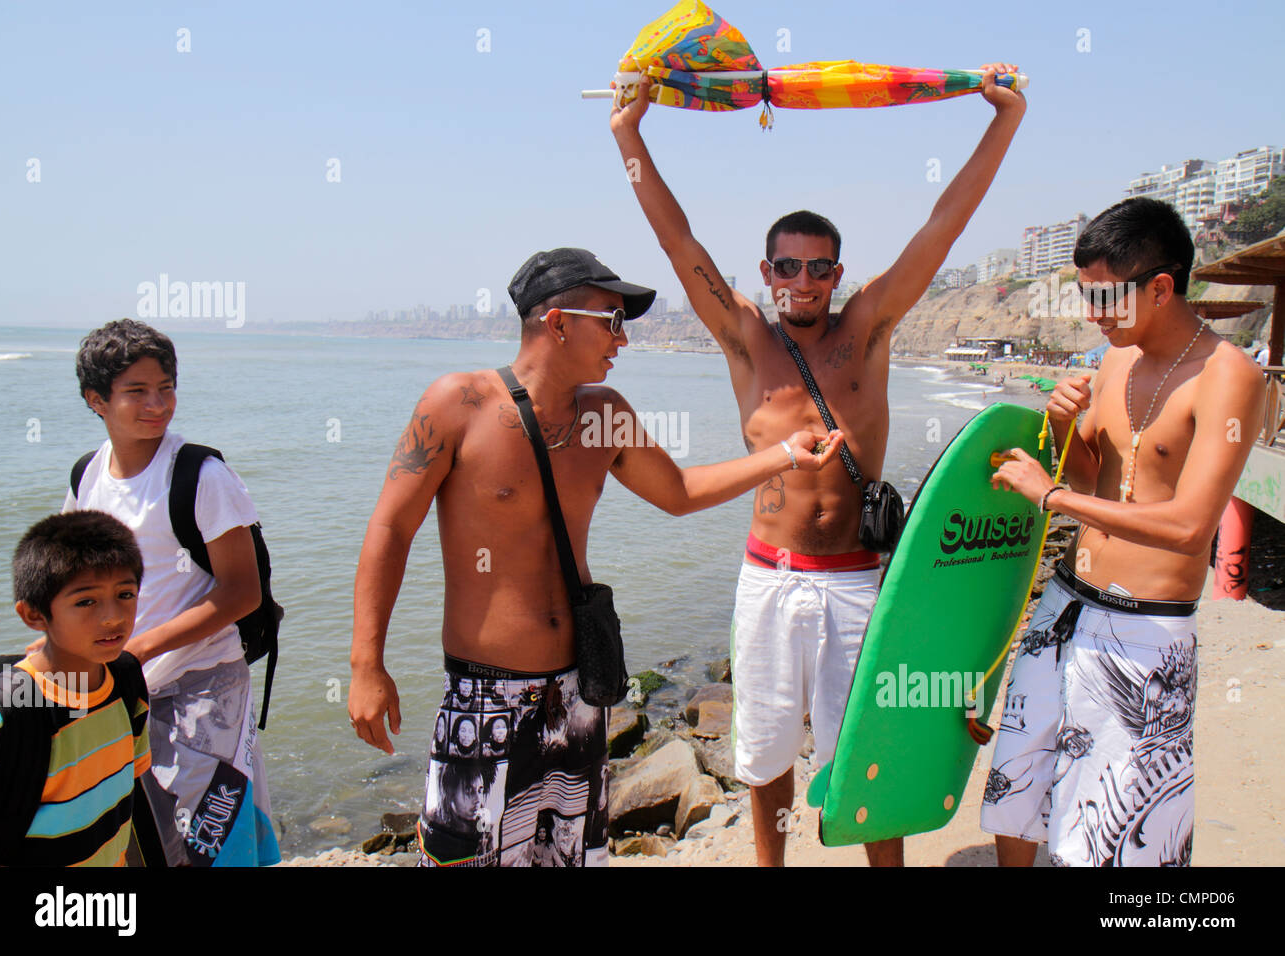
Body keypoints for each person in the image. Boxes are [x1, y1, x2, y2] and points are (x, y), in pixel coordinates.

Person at [610, 67, 1026, 866]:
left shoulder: (866, 328)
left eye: (819, 268)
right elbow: (676, 240)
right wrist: (631, 136)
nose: (803, 282)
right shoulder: (745, 337)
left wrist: (1001, 119)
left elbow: (943, 226)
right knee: (763, 757)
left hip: (857, 581)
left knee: (867, 750)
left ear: (839, 274)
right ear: (765, 275)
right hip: (768, 578)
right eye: (787, 268)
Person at [347, 247, 845, 867]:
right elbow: (392, 525)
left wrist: (787, 455)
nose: (624, 339)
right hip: (484, 698)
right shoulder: (458, 404)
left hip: (579, 696)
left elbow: (680, 492)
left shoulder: (603, 416)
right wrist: (367, 663)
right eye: (611, 320)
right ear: (557, 322)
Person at [981, 197, 1265, 867]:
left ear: (1160, 288)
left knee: (1120, 832)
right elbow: (1092, 482)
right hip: (1066, 608)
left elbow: (1190, 523)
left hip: (1145, 633)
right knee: (1016, 790)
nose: (1092, 315)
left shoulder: (1230, 378)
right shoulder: (1115, 360)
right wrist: (1060, 429)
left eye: (1105, 298)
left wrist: (1048, 496)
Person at [64, 319, 280, 866]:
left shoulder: (200, 476)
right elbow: (72, 584)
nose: (157, 403)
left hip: (203, 686)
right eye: (136, 391)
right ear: (96, 400)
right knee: (141, 838)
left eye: (166, 388)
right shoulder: (87, 477)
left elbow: (242, 592)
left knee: (208, 845)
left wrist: (139, 650)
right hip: (126, 687)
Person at [0, 512, 151, 866]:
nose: (113, 617)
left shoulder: (126, 681)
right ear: (34, 615)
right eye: (86, 601)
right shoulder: (4, 713)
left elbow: (125, 791)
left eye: (125, 594)